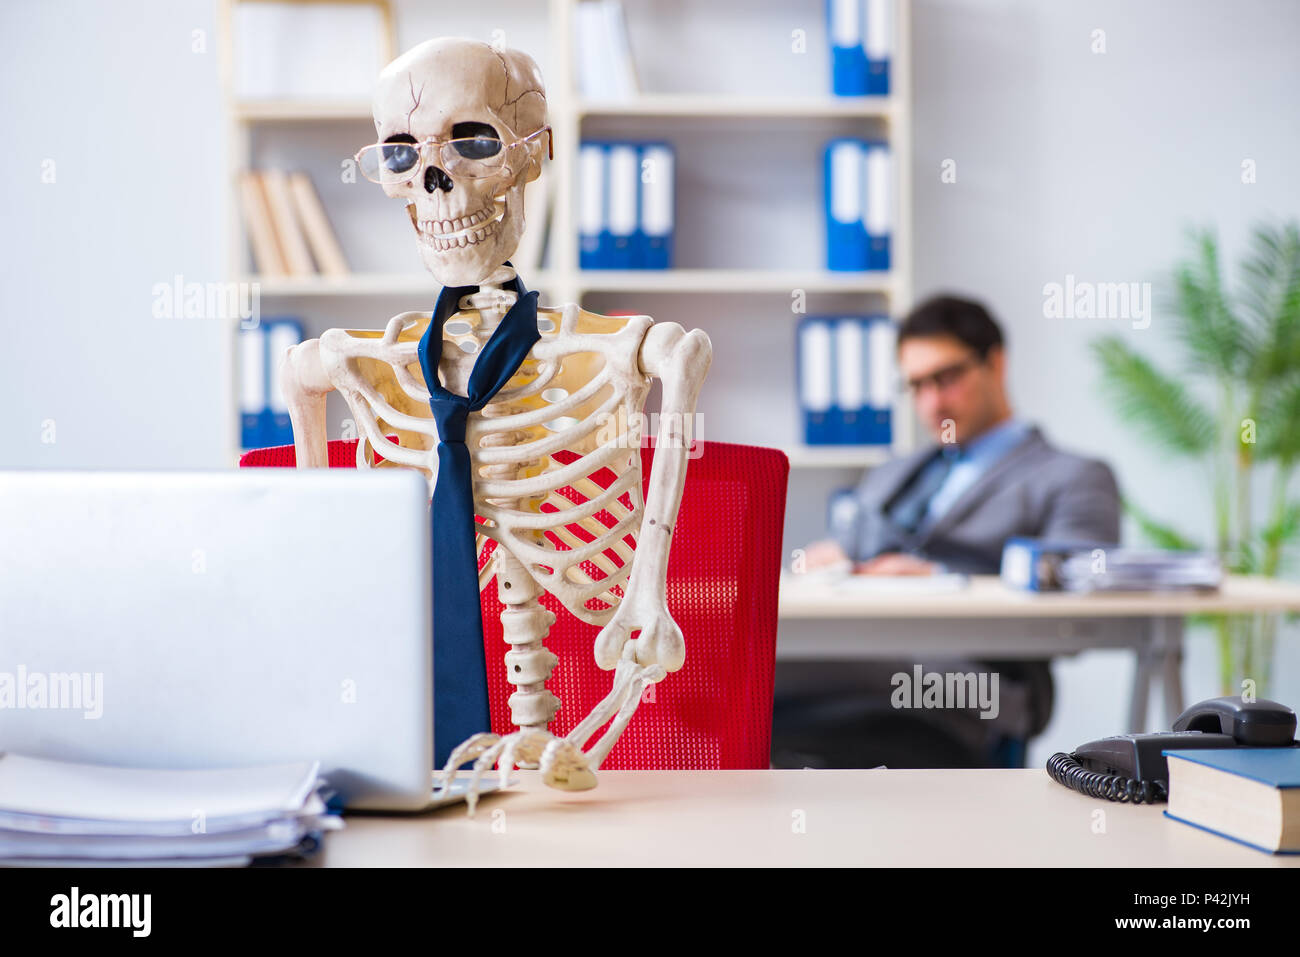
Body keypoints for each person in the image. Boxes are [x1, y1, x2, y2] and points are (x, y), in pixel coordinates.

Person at [775, 294, 1121, 769]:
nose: (931, 402)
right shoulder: (892, 472)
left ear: (995, 363)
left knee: (749, 672)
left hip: (977, 679)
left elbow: (1079, 583)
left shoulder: (1073, 476)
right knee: (732, 670)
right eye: (916, 386)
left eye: (946, 378)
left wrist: (936, 576)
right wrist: (833, 561)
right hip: (855, 650)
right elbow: (858, 549)